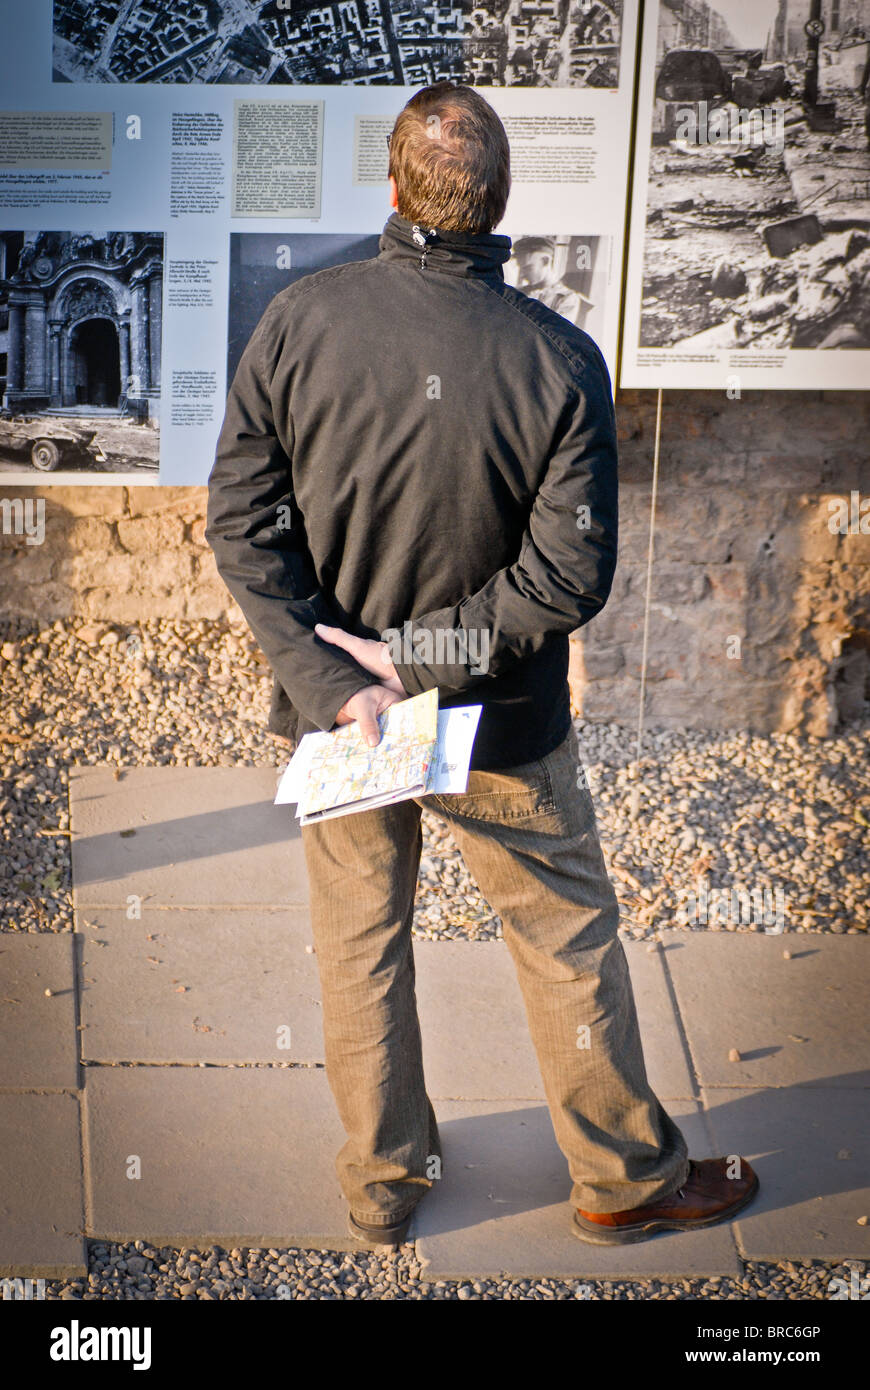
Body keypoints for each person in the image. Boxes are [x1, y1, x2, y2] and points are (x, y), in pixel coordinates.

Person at [206, 80, 759, 1248]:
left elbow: (239, 526)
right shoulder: (556, 361)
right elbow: (567, 578)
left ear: (396, 189)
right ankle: (619, 1178)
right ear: (501, 202)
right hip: (497, 719)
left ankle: (380, 1185)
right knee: (563, 936)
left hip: (343, 716)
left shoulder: (300, 320)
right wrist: (420, 659)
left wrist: (346, 679)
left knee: (359, 943)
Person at [511, 235, 593, 325]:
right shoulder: (517, 292)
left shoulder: (565, 298)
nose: (522, 274)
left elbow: (554, 334)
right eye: (521, 268)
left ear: (546, 261)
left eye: (528, 267)